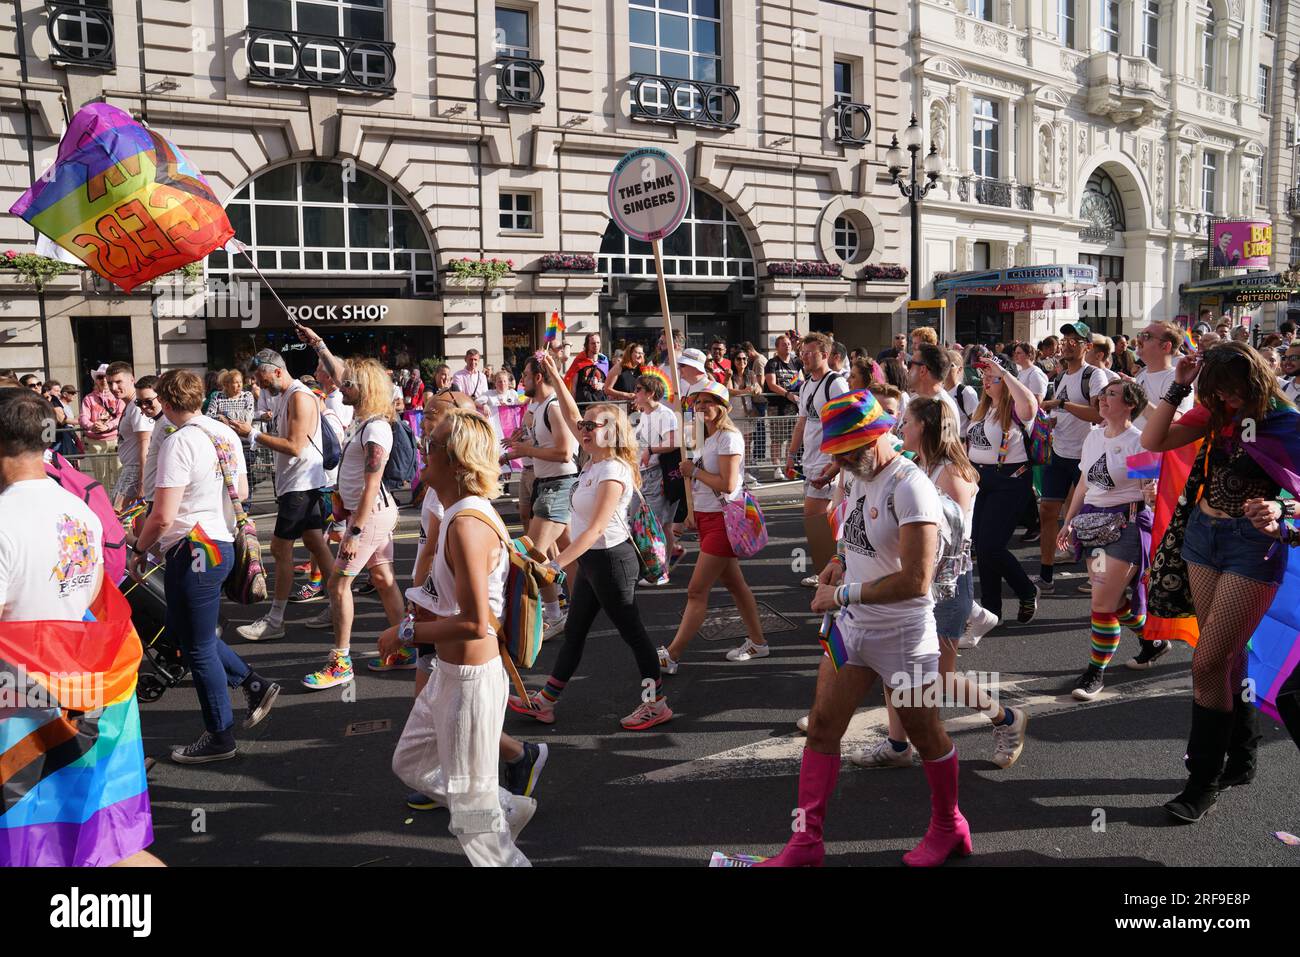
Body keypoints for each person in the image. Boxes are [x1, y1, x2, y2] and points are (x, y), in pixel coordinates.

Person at [753, 389, 969, 868]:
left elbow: (917, 580)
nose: (845, 463)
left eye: (850, 452)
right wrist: (835, 563)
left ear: (878, 437)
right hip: (853, 629)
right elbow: (852, 535)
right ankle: (806, 843)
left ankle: (949, 825)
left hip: (904, 636)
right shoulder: (854, 475)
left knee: (926, 735)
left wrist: (842, 594)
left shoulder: (910, 486)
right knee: (823, 728)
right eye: (838, 455)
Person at [1141, 342, 1297, 822]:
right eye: (1217, 394)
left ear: (1254, 384)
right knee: (1225, 656)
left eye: (1231, 393)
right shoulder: (1213, 411)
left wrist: (1284, 509)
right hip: (1201, 538)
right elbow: (1153, 441)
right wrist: (1181, 384)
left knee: (1208, 664)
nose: (1225, 402)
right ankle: (1242, 757)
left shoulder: (1288, 423)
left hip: (1252, 549)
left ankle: (1201, 781)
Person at [386, 407, 536, 866]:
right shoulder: (454, 514)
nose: (421, 452)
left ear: (455, 460)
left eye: (430, 444)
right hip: (450, 674)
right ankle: (507, 806)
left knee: (473, 824)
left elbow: (475, 621)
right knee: (410, 763)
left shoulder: (468, 524)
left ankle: (498, 831)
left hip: (471, 680)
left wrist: (406, 632)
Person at [857, 397, 1028, 769]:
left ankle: (1007, 720)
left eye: (909, 421)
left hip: (946, 586)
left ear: (927, 428)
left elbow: (949, 542)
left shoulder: (951, 474)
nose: (902, 427)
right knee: (893, 666)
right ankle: (898, 746)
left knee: (939, 677)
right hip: (917, 581)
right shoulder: (921, 465)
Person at [509, 355, 672, 731]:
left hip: (613, 562)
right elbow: (568, 412)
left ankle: (656, 703)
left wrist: (556, 563)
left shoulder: (613, 470)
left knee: (634, 635)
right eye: (582, 425)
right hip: (595, 565)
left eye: (592, 426)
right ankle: (546, 702)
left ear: (611, 432)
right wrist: (553, 373)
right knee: (576, 633)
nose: (582, 429)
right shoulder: (592, 462)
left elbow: (595, 529)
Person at [127, 371, 280, 763]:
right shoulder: (222, 432)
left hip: (195, 547)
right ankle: (253, 683)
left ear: (167, 400)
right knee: (185, 633)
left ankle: (219, 735)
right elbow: (242, 492)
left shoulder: (178, 443)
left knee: (195, 645)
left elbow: (162, 516)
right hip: (217, 543)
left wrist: (140, 550)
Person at [297, 330, 408, 689]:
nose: (340, 388)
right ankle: (406, 646)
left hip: (370, 514)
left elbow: (373, 482)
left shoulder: (375, 427)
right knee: (383, 579)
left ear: (365, 389)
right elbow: (340, 372)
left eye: (348, 386)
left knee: (338, 583)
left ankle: (341, 662)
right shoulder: (365, 419)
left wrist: (354, 533)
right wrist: (318, 343)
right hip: (370, 511)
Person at [1056, 380, 1158, 700]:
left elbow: (1150, 494)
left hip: (1127, 528)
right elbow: (1085, 483)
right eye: (1102, 394)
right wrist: (1068, 521)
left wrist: (1152, 492)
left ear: (1130, 405)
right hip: (1094, 528)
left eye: (1111, 394)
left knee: (1101, 602)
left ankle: (1094, 673)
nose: (1102, 399)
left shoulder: (1140, 442)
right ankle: (1151, 640)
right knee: (1110, 600)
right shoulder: (1093, 436)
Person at [657, 380, 769, 670]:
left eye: (709, 401)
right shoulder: (704, 437)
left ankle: (672, 654)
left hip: (724, 521)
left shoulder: (729, 438)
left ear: (722, 406)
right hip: (708, 518)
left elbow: (728, 484)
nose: (703, 406)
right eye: (698, 402)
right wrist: (689, 516)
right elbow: (701, 485)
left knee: (696, 591)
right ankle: (758, 643)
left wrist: (694, 471)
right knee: (735, 585)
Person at [227, 350, 336, 642]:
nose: (259, 385)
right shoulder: (288, 397)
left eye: (261, 379)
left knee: (279, 549)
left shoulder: (299, 396)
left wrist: (252, 434)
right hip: (301, 483)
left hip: (300, 485)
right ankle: (339, 606)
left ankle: (275, 620)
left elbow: (295, 446)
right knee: (315, 542)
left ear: (276, 371)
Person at [1036, 321, 1114, 592]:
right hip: (1060, 452)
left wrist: (1060, 404)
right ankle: (1046, 574)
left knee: (1092, 517)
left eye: (1074, 340)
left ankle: (1100, 578)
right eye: (1064, 339)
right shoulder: (1059, 376)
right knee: (1047, 511)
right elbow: (1064, 413)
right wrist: (1051, 420)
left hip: (1088, 457)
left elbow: (1098, 414)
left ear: (1087, 347)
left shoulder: (1094, 376)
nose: (1067, 344)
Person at [502, 354, 576, 639]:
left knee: (532, 555)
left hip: (559, 483)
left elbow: (564, 452)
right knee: (572, 556)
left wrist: (526, 451)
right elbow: (537, 442)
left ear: (539, 377)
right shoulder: (537, 405)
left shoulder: (554, 407)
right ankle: (580, 609)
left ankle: (554, 614)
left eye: (525, 374)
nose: (522, 379)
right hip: (547, 484)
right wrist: (513, 450)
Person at [964, 357, 1041, 626]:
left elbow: (1031, 404)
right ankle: (991, 612)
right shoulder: (982, 409)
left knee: (991, 546)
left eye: (991, 378)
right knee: (983, 549)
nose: (985, 382)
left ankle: (1026, 589)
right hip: (980, 480)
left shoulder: (1018, 409)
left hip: (1010, 481)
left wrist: (1004, 373)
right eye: (983, 377)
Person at [786, 333, 850, 587]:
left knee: (814, 517)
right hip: (810, 460)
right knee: (824, 519)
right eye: (803, 353)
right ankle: (834, 570)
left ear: (825, 355)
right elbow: (802, 423)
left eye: (810, 353)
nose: (804, 357)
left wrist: (836, 464)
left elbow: (846, 426)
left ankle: (827, 571)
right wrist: (791, 455)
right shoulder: (805, 385)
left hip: (828, 461)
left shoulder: (835, 384)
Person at [631, 373, 679, 585]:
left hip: (657, 475)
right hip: (641, 476)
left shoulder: (665, 414)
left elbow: (673, 442)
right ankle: (668, 556)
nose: (635, 393)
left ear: (650, 393)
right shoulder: (644, 414)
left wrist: (650, 450)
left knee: (657, 525)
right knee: (645, 522)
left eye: (639, 389)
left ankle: (660, 571)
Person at [103, 363, 153, 510]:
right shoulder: (130, 404)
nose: (113, 388)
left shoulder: (138, 407)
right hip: (131, 468)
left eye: (118, 382)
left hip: (136, 470)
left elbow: (145, 445)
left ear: (132, 379)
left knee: (119, 518)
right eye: (110, 383)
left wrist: (142, 483)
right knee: (128, 520)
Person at [1132, 320, 1192, 431]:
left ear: (1165, 347)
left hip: (1156, 448)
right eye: (1140, 335)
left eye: (1146, 336)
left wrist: (1137, 398)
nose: (1139, 340)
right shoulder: (1142, 375)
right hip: (1135, 447)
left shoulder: (1177, 379)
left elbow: (1174, 422)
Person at [80, 364, 125, 489]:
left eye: (106, 377)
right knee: (101, 476)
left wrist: (108, 426)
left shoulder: (118, 396)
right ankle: (104, 505)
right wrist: (92, 426)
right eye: (100, 377)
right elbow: (83, 417)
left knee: (119, 473)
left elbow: (121, 416)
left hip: (116, 439)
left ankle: (118, 505)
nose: (104, 380)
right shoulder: (88, 398)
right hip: (96, 441)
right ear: (96, 380)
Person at [906, 343, 961, 424]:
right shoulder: (915, 399)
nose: (907, 370)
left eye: (910, 364)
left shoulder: (942, 409)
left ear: (922, 370)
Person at [764, 332, 803, 418]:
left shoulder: (796, 362)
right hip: (776, 406)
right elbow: (772, 385)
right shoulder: (772, 363)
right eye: (784, 344)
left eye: (789, 344)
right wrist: (788, 394)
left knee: (793, 431)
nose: (787, 346)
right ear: (777, 348)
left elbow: (799, 378)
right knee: (777, 431)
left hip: (792, 405)